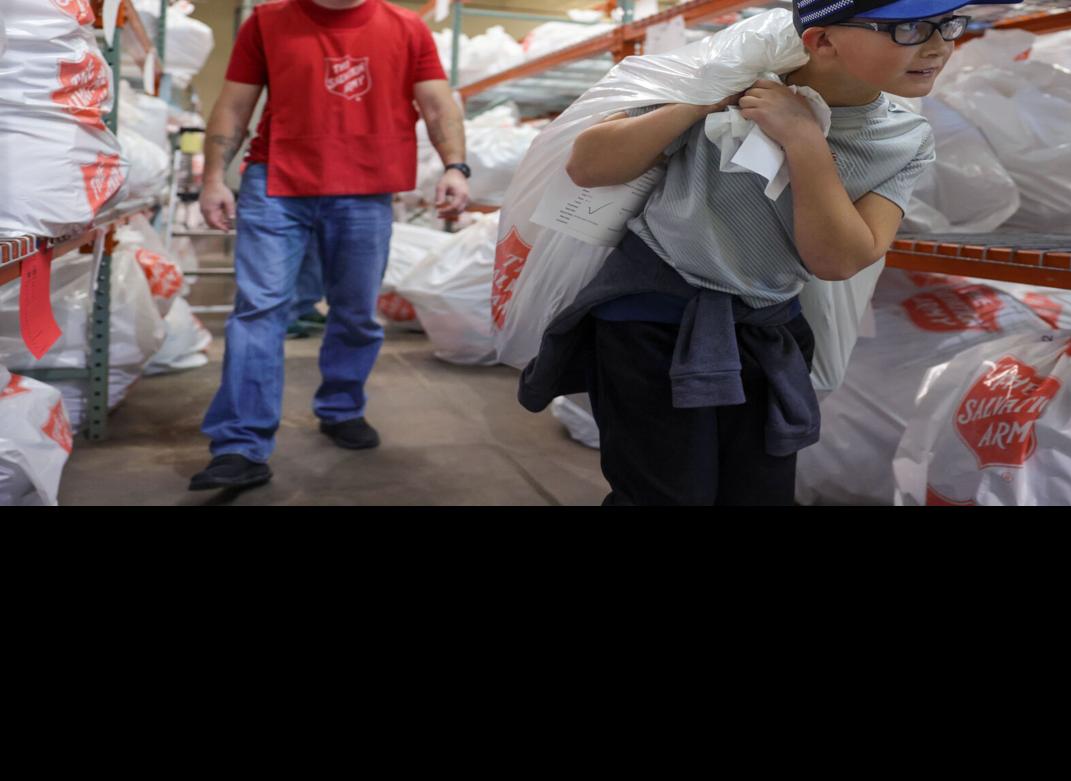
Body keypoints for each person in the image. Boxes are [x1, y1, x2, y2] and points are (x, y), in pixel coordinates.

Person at [518, 0, 1018, 505]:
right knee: (666, 494)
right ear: (822, 41)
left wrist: (803, 140)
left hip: (768, 332)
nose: (938, 46)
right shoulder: (735, 84)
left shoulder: (904, 138)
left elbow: (841, 259)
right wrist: (703, 101)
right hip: (650, 323)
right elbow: (589, 166)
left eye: (949, 25)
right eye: (909, 28)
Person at [189, 0, 471, 491]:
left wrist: (455, 166)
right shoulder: (268, 21)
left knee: (356, 311)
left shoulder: (407, 28)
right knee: (259, 309)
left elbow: (437, 103)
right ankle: (239, 444)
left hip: (366, 189)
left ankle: (341, 407)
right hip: (275, 183)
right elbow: (235, 103)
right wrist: (213, 179)